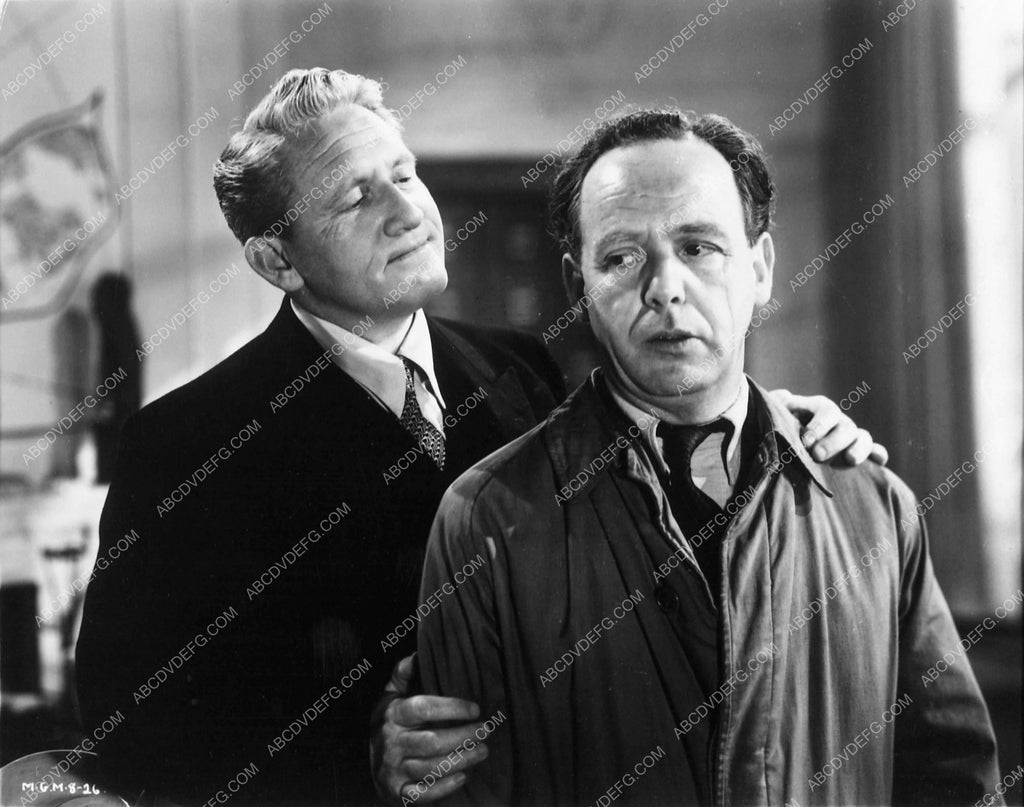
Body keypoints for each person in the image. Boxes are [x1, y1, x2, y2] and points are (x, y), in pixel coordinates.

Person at [76, 70, 882, 806]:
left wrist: (778, 424)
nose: (406, 211)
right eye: (354, 199)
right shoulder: (184, 444)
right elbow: (130, 734)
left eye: (402, 175)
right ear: (275, 259)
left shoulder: (522, 366)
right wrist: (357, 756)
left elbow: (651, 463)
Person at [415, 109, 1000, 806]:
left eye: (698, 247)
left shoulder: (873, 505)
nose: (665, 287)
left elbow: (953, 778)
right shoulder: (485, 519)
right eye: (622, 258)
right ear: (578, 287)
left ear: (760, 268)